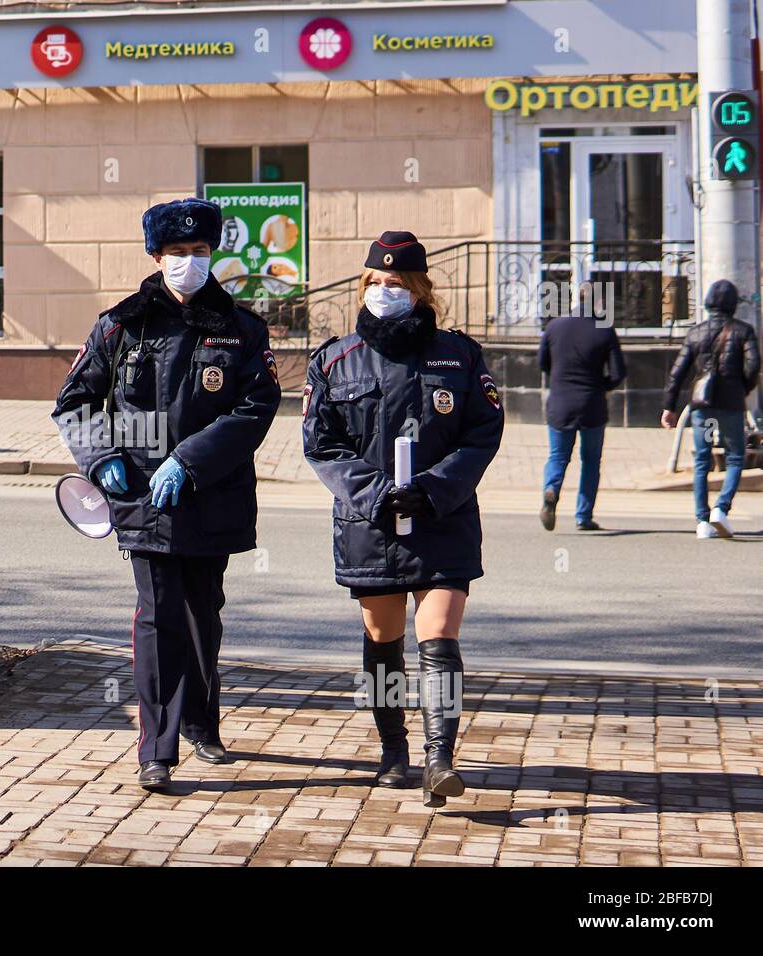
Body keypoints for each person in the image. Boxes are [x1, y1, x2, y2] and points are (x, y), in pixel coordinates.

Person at [53, 197, 281, 791]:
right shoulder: (122, 324)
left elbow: (256, 408)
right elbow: (74, 402)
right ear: (156, 255)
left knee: (204, 613)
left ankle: (203, 722)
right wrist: (102, 459)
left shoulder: (241, 328)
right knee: (157, 618)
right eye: (177, 253)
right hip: (143, 499)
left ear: (213, 254)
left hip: (212, 491)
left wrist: (189, 459)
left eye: (199, 252)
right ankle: (156, 749)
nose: (188, 262)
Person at [302, 231, 504, 808]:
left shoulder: (459, 355)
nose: (384, 291)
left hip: (442, 518)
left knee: (438, 635)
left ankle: (441, 758)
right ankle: (395, 751)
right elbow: (321, 445)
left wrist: (433, 490)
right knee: (382, 640)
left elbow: (483, 432)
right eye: (375, 282)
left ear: (419, 290)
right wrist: (376, 494)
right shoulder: (336, 360)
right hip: (370, 523)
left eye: (396, 284)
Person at [661, 279, 760, 538]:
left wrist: (669, 407)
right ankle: (721, 508)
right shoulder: (744, 331)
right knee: (736, 456)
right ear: (732, 305)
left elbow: (677, 373)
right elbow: (753, 365)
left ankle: (702, 522)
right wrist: (743, 388)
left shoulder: (695, 333)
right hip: (730, 407)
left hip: (702, 408)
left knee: (702, 459)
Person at [536, 306, 627, 531]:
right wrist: (600, 387)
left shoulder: (554, 326)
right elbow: (618, 373)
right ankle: (583, 516)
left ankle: (551, 490)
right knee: (591, 460)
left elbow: (542, 364)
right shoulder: (605, 330)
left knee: (557, 456)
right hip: (592, 405)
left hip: (560, 404)